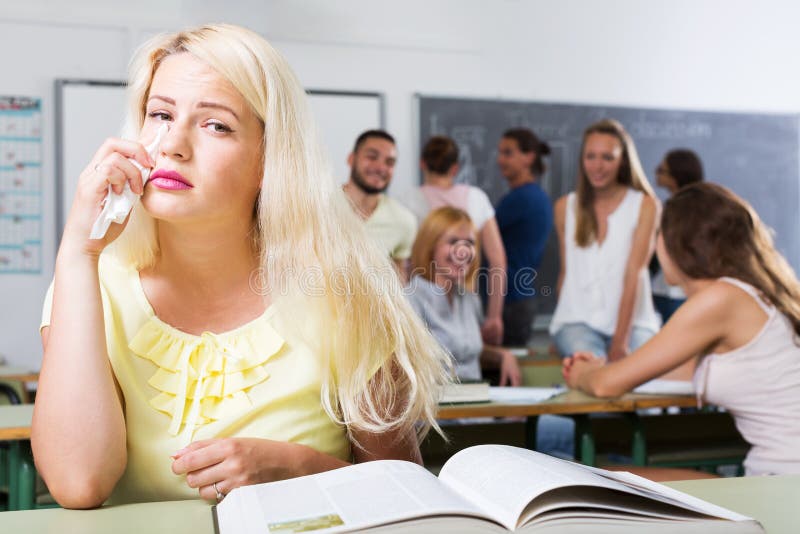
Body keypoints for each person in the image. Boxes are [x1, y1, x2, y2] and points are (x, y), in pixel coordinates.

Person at [32, 24, 451, 508]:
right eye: (161, 114)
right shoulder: (90, 284)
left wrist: (299, 470)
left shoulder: (346, 296)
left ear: (269, 161)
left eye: (216, 125)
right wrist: (77, 253)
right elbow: (78, 484)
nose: (173, 144)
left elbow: (409, 499)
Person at [563, 182, 800, 476]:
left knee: (596, 477)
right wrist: (606, 369)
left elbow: (605, 386)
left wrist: (582, 373)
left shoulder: (720, 299)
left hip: (784, 481)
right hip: (782, 475)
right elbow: (677, 371)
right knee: (610, 475)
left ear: (678, 243)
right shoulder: (757, 294)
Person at [549, 119, 661, 361]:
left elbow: (635, 273)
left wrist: (620, 342)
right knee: (593, 367)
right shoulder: (565, 207)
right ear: (582, 159)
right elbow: (566, 273)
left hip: (635, 322)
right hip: (577, 321)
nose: (597, 166)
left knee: (640, 369)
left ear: (623, 161)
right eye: (591, 156)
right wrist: (560, 332)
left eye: (607, 157)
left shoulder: (644, 205)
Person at [406, 135, 507, 345]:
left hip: (425, 304)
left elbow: (403, 261)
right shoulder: (476, 198)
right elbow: (498, 260)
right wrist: (494, 317)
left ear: (422, 164)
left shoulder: (408, 200)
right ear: (455, 168)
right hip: (464, 306)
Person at [406, 207, 521, 386]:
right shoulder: (411, 300)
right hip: (437, 409)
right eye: (453, 241)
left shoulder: (469, 299)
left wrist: (502, 355)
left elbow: (465, 350)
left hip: (477, 409)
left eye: (470, 243)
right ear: (430, 247)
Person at [494, 128, 553, 347]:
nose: (501, 160)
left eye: (508, 153)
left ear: (529, 157)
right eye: (500, 153)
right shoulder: (537, 196)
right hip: (520, 297)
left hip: (509, 300)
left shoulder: (521, 199)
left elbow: (484, 238)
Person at [343, 130, 417, 282]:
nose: (381, 167)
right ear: (351, 159)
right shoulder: (318, 207)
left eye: (389, 162)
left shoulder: (403, 221)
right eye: (372, 157)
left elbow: (398, 283)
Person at [651, 149, 704, 322]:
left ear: (676, 176)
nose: (656, 174)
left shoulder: (690, 209)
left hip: (680, 292)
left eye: (661, 170)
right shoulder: (671, 205)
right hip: (664, 289)